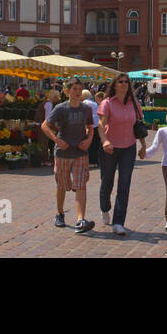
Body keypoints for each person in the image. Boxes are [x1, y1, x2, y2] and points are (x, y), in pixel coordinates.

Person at [41, 77, 96, 233]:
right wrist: (57, 140)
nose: (78, 92)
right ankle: (60, 213)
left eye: (80, 89)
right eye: (75, 89)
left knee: (81, 184)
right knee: (62, 185)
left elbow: (90, 127)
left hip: (80, 152)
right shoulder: (60, 108)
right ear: (67, 91)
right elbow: (45, 126)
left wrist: (89, 139)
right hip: (63, 153)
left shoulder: (86, 109)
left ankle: (80, 219)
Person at [97, 74, 146, 235]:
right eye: (120, 82)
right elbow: (100, 126)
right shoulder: (107, 103)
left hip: (128, 148)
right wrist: (105, 141)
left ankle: (118, 222)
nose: (124, 84)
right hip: (110, 148)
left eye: (126, 82)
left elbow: (138, 125)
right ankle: (105, 208)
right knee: (107, 182)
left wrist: (143, 145)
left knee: (124, 185)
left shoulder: (134, 104)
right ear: (115, 85)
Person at [81, 88, 102, 167]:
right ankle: (96, 161)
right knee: (96, 144)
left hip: (91, 125)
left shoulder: (85, 103)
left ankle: (91, 162)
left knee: (90, 144)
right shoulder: (93, 102)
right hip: (97, 124)